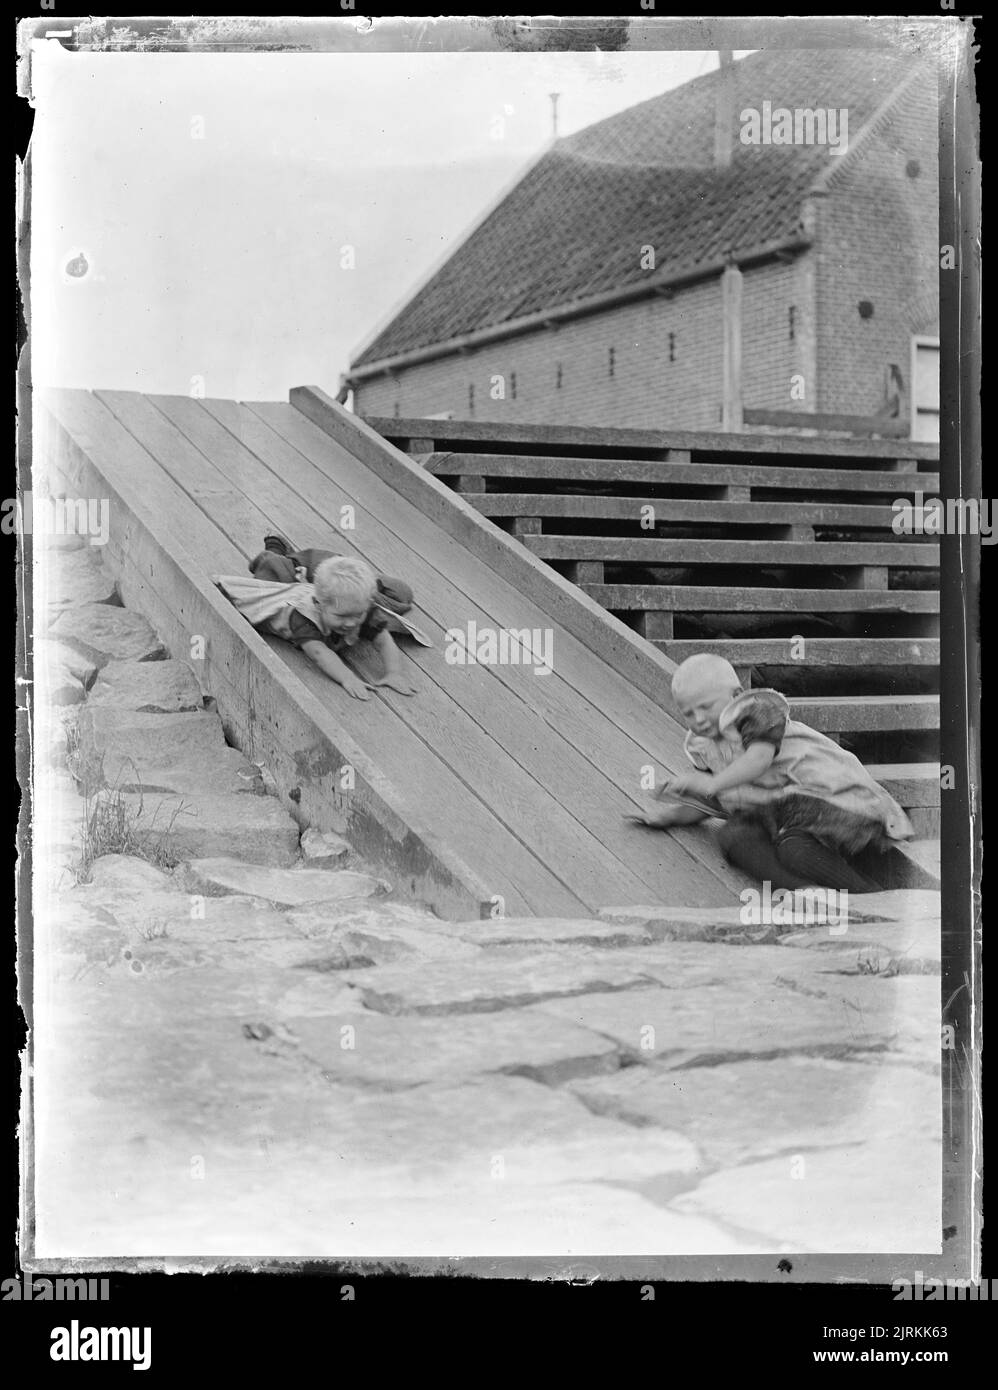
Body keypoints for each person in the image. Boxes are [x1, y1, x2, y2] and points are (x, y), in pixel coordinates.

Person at [633, 652, 914, 892]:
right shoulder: (704, 746)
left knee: (793, 848)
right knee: (733, 836)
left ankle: (866, 898)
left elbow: (758, 761)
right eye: (688, 713)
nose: (699, 720)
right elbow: (714, 799)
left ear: (736, 696)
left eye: (706, 707)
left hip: (838, 802)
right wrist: (671, 815)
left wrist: (708, 783)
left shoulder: (756, 712)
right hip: (783, 813)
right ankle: (805, 893)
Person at [217, 536, 417, 700]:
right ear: (319, 606)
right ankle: (275, 551)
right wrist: (348, 678)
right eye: (342, 616)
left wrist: (394, 672)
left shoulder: (360, 608)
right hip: (284, 596)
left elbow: (383, 640)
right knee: (271, 571)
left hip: (317, 585)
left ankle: (301, 565)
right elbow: (320, 653)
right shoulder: (303, 617)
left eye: (358, 615)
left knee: (399, 595)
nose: (351, 622)